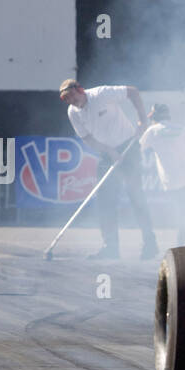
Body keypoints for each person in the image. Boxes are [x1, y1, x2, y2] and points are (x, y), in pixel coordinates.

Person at [58, 78, 158, 259]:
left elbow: (133, 91)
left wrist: (143, 120)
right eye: (67, 100)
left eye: (72, 96)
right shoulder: (73, 112)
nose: (72, 102)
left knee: (135, 194)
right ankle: (110, 247)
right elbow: (87, 138)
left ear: (80, 90)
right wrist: (109, 151)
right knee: (105, 198)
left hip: (129, 146)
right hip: (107, 152)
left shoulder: (101, 94)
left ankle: (150, 244)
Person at [140, 103, 185, 245]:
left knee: (184, 212)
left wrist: (141, 130)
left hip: (171, 181)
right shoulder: (181, 129)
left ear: (155, 116)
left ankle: (183, 244)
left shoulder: (152, 131)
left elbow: (140, 147)